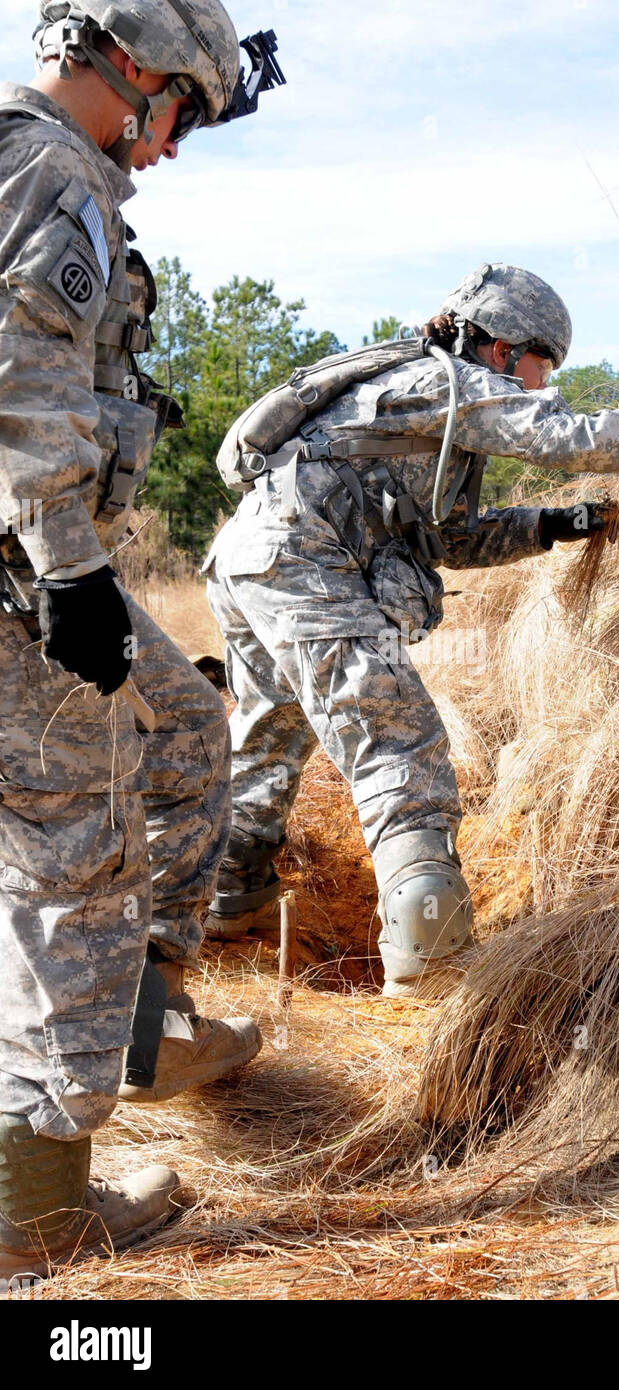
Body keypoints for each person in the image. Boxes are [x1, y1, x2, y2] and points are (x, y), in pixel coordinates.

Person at [202, 263, 619, 998]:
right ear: (503, 347)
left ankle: (230, 897)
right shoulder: (447, 381)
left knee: (272, 725)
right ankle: (432, 966)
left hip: (251, 562)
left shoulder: (410, 400)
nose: (541, 382)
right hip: (303, 565)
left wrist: (549, 525)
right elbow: (562, 437)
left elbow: (448, 539)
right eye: (544, 363)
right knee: (396, 742)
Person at [0, 0, 283, 1279]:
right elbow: (24, 381)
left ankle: (140, 1018)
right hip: (27, 574)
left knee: (183, 723)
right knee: (75, 862)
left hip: (47, 560)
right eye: (178, 115)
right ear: (130, 69)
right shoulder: (55, 171)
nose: (170, 147)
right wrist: (68, 573)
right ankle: (39, 1206)